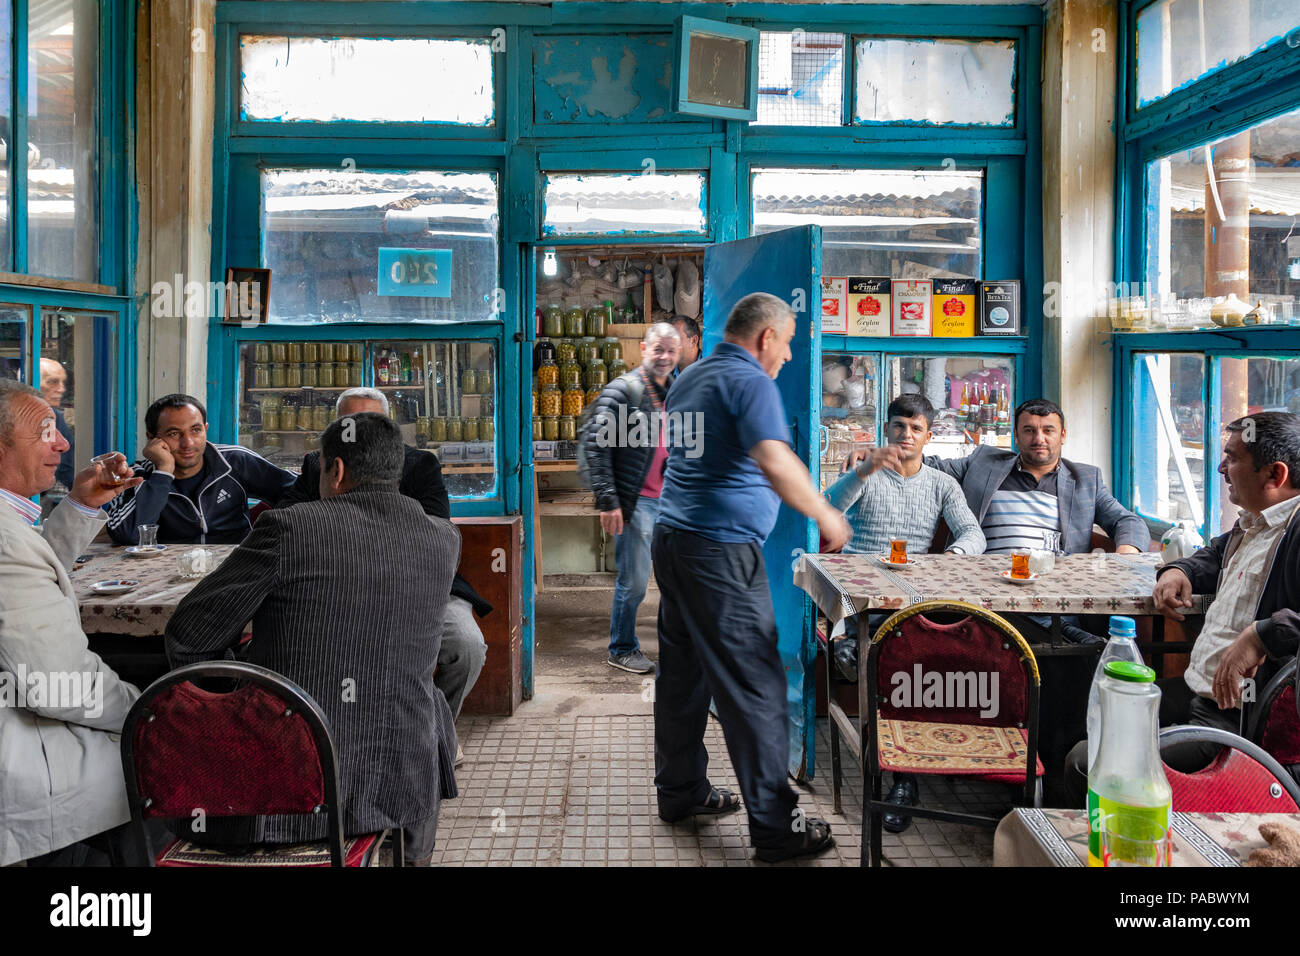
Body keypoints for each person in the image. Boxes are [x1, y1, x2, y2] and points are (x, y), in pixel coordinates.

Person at [164, 412, 462, 866]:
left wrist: (241, 696)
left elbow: (191, 634)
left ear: (336, 470)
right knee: (427, 702)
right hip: (400, 770)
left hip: (294, 779)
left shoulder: (290, 527)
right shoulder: (443, 537)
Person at [652, 291, 851, 863]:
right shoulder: (748, 380)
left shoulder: (694, 376)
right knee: (757, 685)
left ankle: (681, 790)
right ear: (766, 337)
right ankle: (776, 828)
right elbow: (772, 457)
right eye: (786, 343)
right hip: (717, 555)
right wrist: (824, 511)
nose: (788, 356)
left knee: (685, 675)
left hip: (676, 541)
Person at [1064, 412, 1300, 801]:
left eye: (1233, 458)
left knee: (1084, 761)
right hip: (1198, 693)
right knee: (1088, 712)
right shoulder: (1256, 524)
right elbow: (1214, 553)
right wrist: (1177, 570)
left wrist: (1261, 635)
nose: (1222, 468)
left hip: (1237, 720)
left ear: (1275, 475)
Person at [277, 387, 491, 747]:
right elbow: (286, 515)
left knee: (466, 648)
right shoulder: (320, 465)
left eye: (371, 423)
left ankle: (433, 734)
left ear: (390, 426)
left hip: (422, 585)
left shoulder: (420, 464)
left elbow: (435, 529)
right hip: (342, 587)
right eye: (349, 424)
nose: (359, 434)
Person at [823, 391, 985, 835]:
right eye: (898, 426)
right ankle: (900, 777)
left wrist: (951, 557)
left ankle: (903, 776)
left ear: (929, 436)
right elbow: (826, 510)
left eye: (915, 428)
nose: (906, 435)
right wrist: (865, 467)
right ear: (887, 430)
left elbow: (973, 533)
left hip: (915, 599)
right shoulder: (867, 474)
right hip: (863, 597)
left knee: (905, 665)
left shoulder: (941, 484)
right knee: (891, 663)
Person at [0, 379, 144, 866]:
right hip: (25, 770)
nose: (62, 443)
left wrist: (82, 507)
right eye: (44, 432)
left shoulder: (12, 532)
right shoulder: (6, 541)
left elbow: (29, 569)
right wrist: (148, 712)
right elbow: (54, 685)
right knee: (175, 775)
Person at [583, 323, 680, 674]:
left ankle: (674, 647)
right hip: (636, 502)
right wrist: (609, 500)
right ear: (643, 348)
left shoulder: (678, 390)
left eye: (671, 350)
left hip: (670, 502)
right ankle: (621, 647)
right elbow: (596, 445)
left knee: (675, 580)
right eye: (658, 349)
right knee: (635, 581)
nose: (664, 357)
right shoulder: (624, 390)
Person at [104, 393, 296, 545]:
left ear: (205, 429)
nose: (188, 443)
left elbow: (298, 490)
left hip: (236, 568)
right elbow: (126, 535)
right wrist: (163, 472)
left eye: (196, 430)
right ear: (152, 437)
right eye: (173, 433)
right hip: (171, 571)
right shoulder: (137, 476)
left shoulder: (234, 460)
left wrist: (272, 536)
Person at [39, 357, 74, 490]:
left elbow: (68, 466)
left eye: (62, 382)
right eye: (53, 382)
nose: (61, 389)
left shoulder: (54, 417)